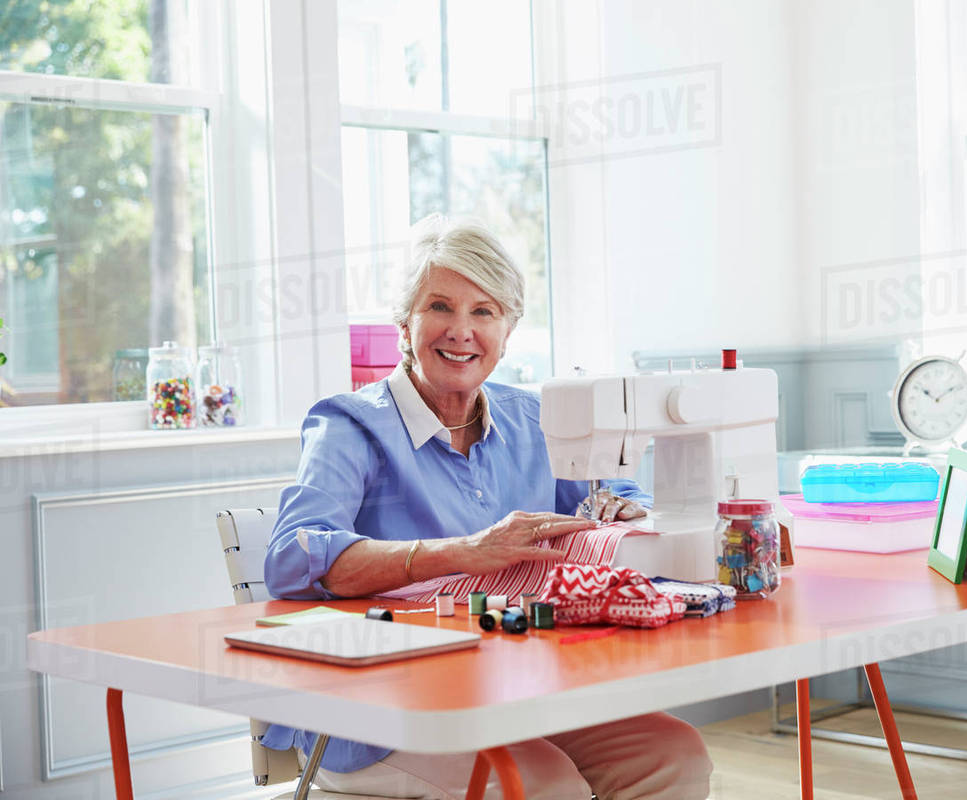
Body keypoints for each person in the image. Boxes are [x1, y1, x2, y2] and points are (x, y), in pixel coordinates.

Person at [263, 215, 712, 800]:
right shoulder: (349, 426)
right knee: (542, 784)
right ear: (404, 324)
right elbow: (293, 559)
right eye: (439, 307)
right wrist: (466, 552)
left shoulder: (534, 419)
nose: (461, 331)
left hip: (518, 689)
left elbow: (615, 495)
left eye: (484, 311)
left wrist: (625, 512)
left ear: (508, 330)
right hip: (377, 710)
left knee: (674, 755)